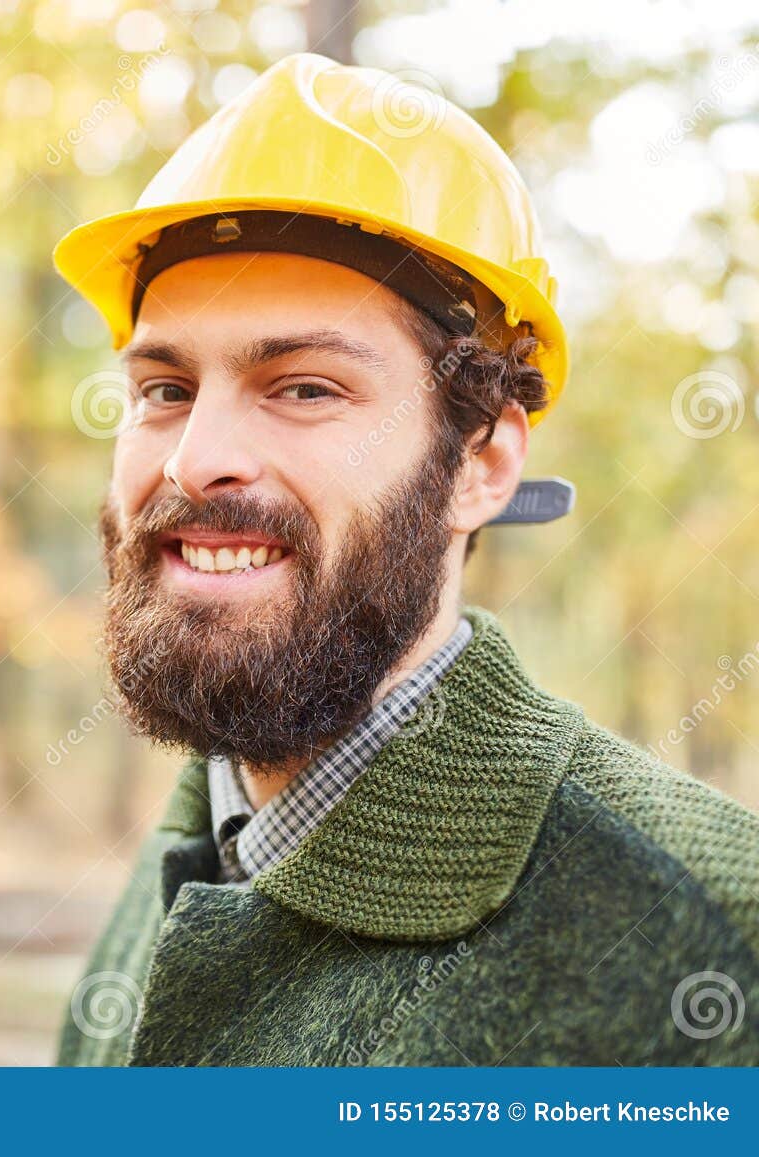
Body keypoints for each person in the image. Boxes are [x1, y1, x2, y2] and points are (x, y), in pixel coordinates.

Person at [53, 53, 759, 1066]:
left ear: (481, 463)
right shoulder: (189, 848)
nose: (195, 459)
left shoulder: (706, 938)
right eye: (165, 389)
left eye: (304, 387)